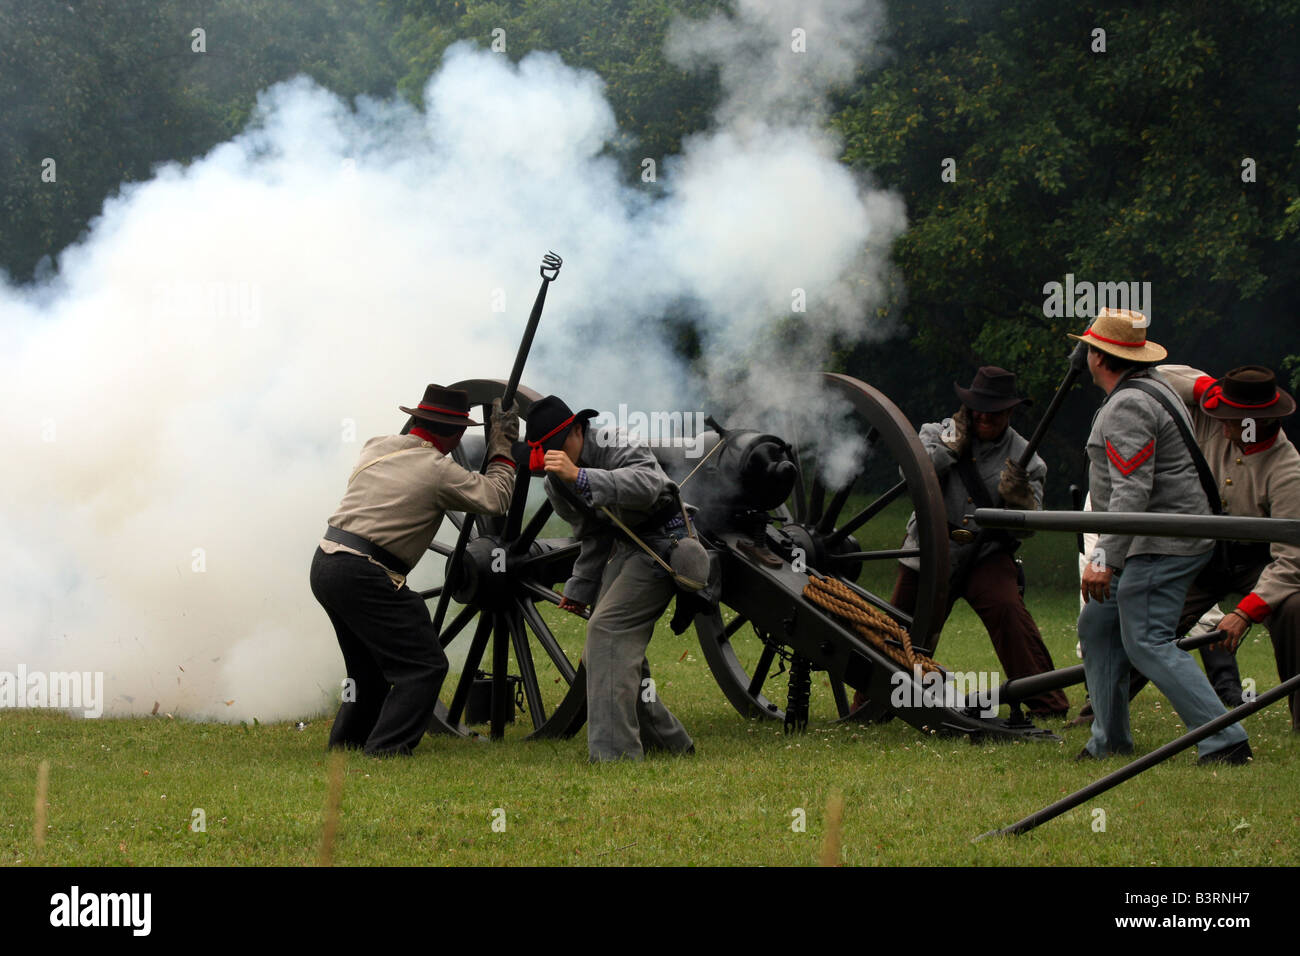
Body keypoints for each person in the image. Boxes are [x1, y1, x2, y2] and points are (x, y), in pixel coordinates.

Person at [1073, 308, 1250, 763]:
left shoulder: (1129, 404)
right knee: (1098, 626)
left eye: (1089, 348)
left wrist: (1105, 560)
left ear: (1098, 357)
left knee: (1148, 640)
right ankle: (1109, 740)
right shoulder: (1153, 387)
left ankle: (1225, 740)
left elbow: (1132, 493)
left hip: (1158, 543)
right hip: (1156, 538)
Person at [310, 384, 518, 756]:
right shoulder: (439, 471)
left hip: (327, 562)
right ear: (456, 435)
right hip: (364, 572)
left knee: (367, 673)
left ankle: (345, 748)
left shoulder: (376, 445)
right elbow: (496, 497)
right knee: (424, 665)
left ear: (416, 420)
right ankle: (387, 751)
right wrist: (501, 449)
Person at [859, 366, 1068, 717]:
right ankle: (870, 706)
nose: (985, 416)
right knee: (899, 630)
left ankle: (1048, 703)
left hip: (986, 553)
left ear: (1010, 412)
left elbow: (1028, 528)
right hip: (929, 548)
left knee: (1009, 613)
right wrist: (948, 448)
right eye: (979, 408)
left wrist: (1019, 503)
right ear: (968, 407)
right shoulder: (936, 433)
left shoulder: (1027, 459)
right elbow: (908, 476)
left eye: (995, 410)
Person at [526, 394, 696, 762]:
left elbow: (649, 484)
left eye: (558, 446)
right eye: (546, 452)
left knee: (608, 631)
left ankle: (614, 754)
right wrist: (581, 587)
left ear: (577, 429)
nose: (555, 457)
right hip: (627, 549)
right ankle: (668, 743)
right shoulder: (557, 482)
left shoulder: (613, 440)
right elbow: (592, 533)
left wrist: (581, 476)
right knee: (603, 648)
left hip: (666, 544)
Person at [1159, 364, 1299, 730]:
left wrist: (1245, 611)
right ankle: (1103, 712)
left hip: (1258, 560)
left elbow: (1291, 559)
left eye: (1232, 418)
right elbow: (1159, 374)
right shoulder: (1214, 421)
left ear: (1259, 422)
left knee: (1295, 609)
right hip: (1205, 553)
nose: (1221, 425)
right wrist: (1207, 390)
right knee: (1154, 617)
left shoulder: (1288, 470)